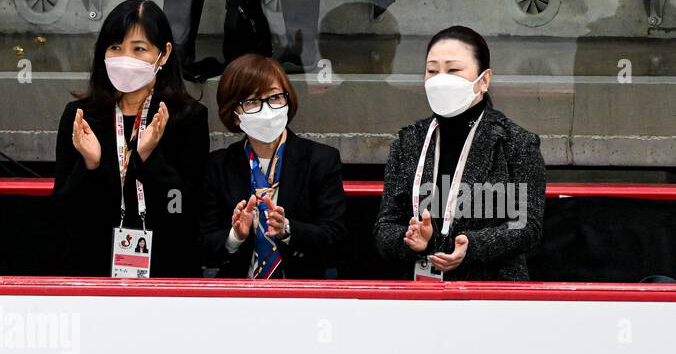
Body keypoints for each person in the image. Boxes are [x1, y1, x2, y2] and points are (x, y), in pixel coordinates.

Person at [374, 26, 545, 280]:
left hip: (490, 288)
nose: (441, 79)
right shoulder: (408, 141)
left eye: (453, 70)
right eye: (432, 71)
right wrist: (410, 239)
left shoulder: (516, 143)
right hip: (419, 289)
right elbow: (384, 227)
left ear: (484, 80)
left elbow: (528, 226)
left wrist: (470, 245)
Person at [52, 0, 208, 278]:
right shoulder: (81, 116)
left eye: (139, 49)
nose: (126, 59)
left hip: (167, 269)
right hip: (93, 267)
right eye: (116, 48)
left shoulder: (187, 117)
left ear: (164, 53)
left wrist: (149, 159)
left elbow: (183, 210)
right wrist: (90, 164)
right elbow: (64, 211)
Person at [201, 53, 347, 278]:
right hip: (239, 294)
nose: (267, 110)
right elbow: (203, 245)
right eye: (252, 102)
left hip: (302, 292)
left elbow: (336, 239)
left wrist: (287, 229)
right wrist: (235, 236)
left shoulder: (321, 160)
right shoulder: (218, 165)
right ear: (235, 115)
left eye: (275, 98)